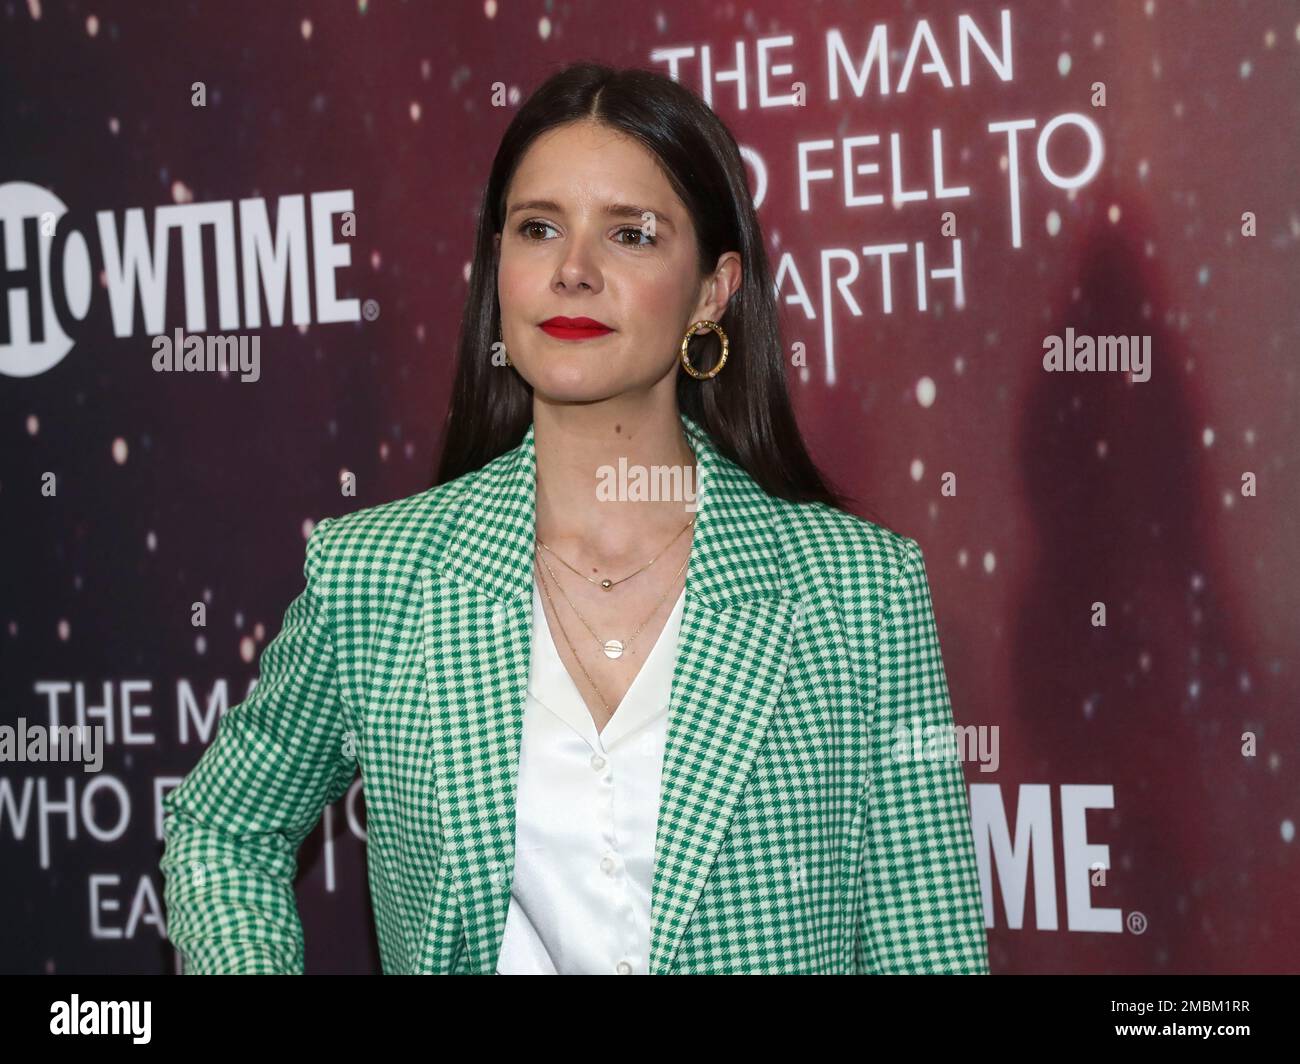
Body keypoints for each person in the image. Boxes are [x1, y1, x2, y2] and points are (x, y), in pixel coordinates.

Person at [159, 61, 988, 975]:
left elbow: (928, 946)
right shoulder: (381, 575)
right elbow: (221, 831)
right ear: (498, 272)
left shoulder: (855, 590)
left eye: (631, 235)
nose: (574, 271)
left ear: (713, 292)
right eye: (538, 228)